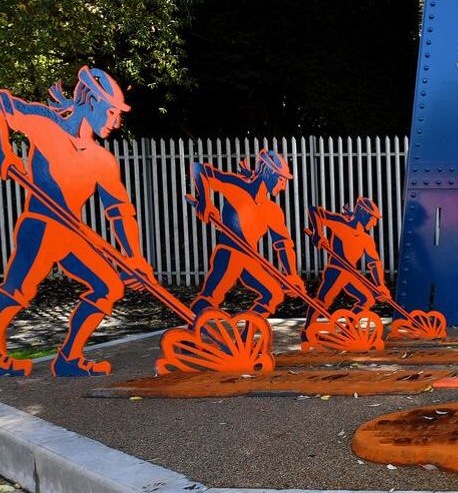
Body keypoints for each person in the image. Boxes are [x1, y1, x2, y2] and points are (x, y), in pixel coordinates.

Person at [0, 68, 154, 376]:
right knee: (18, 291)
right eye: (111, 112)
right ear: (92, 103)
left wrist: (134, 257)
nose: (116, 122)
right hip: (42, 224)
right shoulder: (45, 124)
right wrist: (4, 151)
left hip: (72, 233)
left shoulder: (102, 160)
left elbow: (120, 211)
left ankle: (69, 358)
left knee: (109, 286)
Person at [189, 149, 303, 316]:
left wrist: (291, 275)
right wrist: (205, 201)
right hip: (229, 253)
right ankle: (192, 337)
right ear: (269, 173)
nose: (283, 186)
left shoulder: (272, 210)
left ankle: (246, 339)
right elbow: (199, 169)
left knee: (274, 294)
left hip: (249, 259)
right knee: (210, 298)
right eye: (281, 179)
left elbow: (283, 244)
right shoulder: (237, 185)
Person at [306, 197, 385, 327]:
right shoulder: (341, 224)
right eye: (373, 218)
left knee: (368, 300)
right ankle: (306, 332)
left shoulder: (366, 239)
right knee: (322, 302)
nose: (374, 223)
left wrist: (380, 285)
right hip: (336, 271)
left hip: (350, 274)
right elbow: (314, 211)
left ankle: (348, 330)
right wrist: (318, 233)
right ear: (363, 214)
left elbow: (374, 263)